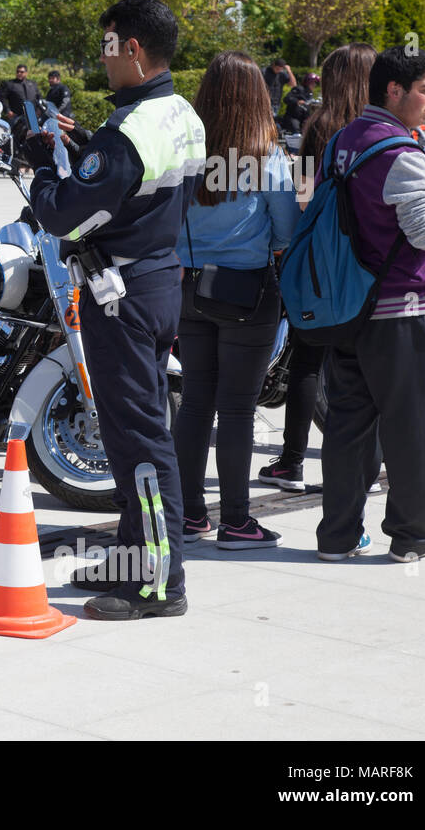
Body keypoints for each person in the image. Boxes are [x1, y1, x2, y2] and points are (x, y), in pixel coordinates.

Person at [29, 0, 206, 620]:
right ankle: (137, 554)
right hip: (158, 281)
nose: (101, 59)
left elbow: (64, 219)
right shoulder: (180, 112)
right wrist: (89, 161)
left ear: (133, 49)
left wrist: (44, 173)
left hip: (120, 294)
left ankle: (159, 581)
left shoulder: (125, 132)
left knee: (138, 441)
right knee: (137, 432)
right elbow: (132, 194)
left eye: (108, 45)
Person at [316, 45, 425, 562]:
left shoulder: (343, 141)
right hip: (405, 309)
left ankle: (337, 535)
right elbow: (423, 234)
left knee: (348, 426)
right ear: (393, 91)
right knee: (412, 427)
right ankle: (412, 535)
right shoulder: (403, 152)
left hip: (350, 308)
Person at [173, 52, 300, 550]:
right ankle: (238, 522)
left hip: (188, 289)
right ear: (256, 96)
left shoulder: (190, 153)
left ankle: (189, 515)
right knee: (239, 409)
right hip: (246, 291)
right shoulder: (265, 155)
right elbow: (286, 230)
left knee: (196, 402)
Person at [259, 43, 378, 493]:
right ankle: (370, 463)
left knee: (307, 360)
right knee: (368, 365)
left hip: (323, 263)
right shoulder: (380, 130)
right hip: (371, 265)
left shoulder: (321, 126)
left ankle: (291, 461)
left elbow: (304, 195)